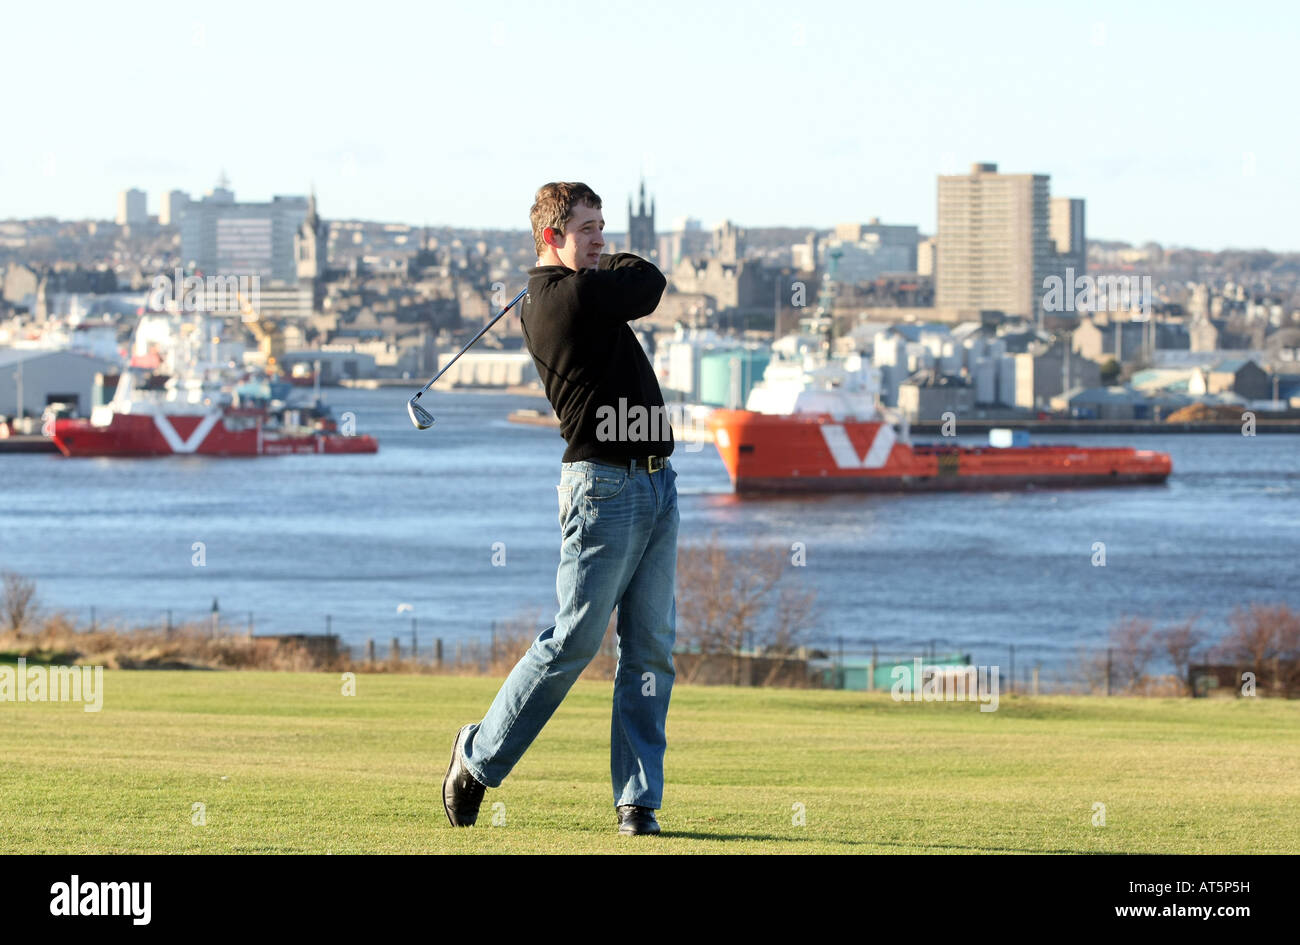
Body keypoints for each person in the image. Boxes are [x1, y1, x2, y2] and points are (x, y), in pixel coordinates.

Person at [442, 181, 679, 836]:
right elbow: (650, 281)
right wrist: (610, 261)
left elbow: (633, 283)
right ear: (552, 237)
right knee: (573, 638)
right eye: (589, 229)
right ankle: (477, 756)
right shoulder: (562, 297)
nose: (601, 240)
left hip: (657, 483)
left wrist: (599, 255)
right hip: (604, 487)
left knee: (652, 648)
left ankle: (637, 800)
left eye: (603, 227)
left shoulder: (580, 287)